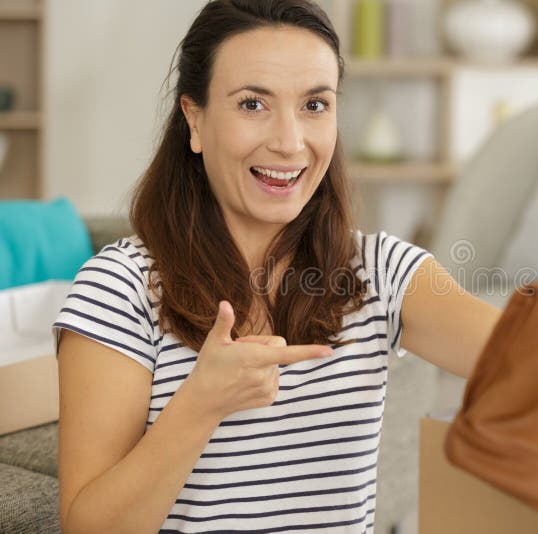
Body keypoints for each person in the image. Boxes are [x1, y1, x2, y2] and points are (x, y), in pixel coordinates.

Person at [53, 1, 501, 532]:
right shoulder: (119, 290)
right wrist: (200, 405)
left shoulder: (381, 272)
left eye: (315, 105)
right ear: (193, 121)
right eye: (252, 104)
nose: (289, 143)